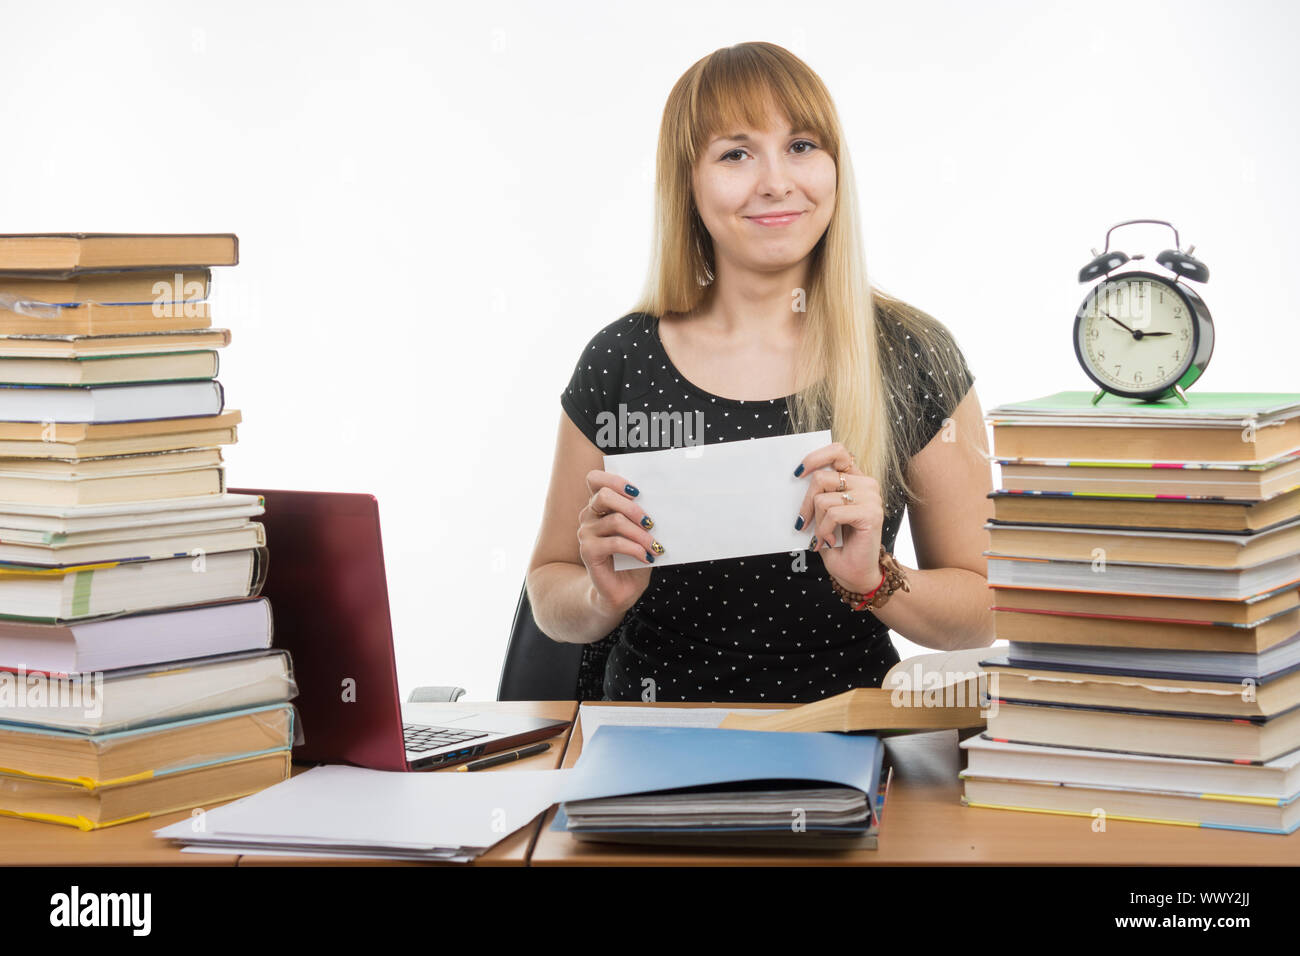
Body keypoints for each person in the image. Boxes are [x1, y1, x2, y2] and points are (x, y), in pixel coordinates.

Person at [527, 41, 994, 703]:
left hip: (846, 742)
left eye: (802, 145)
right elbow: (549, 588)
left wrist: (876, 579)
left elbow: (984, 609)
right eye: (736, 153)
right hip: (648, 741)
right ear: (687, 182)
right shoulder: (622, 358)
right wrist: (598, 595)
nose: (776, 181)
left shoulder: (912, 352)